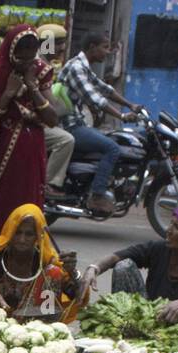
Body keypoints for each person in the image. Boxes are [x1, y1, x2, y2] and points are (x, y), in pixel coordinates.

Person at [80, 204, 178, 335]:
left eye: (177, 227)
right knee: (123, 266)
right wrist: (93, 268)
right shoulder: (160, 249)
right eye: (171, 223)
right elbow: (117, 256)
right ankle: (128, 328)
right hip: (151, 317)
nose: (168, 230)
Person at [0, 26, 57, 243]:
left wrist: (32, 87)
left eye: (33, 50)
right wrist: (8, 94)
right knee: (3, 204)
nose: (28, 58)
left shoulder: (41, 73)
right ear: (12, 50)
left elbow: (52, 118)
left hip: (31, 153)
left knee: (29, 205)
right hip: (4, 154)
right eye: (23, 51)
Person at [0, 203, 83, 322]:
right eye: (17, 233)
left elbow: (77, 294)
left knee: (53, 272)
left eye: (29, 234)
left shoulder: (46, 260)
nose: (22, 239)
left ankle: (46, 329)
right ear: (10, 233)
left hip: (33, 327)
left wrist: (72, 272)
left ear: (38, 237)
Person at [58, 32, 140, 216]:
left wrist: (130, 105)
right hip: (70, 126)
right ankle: (97, 194)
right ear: (92, 47)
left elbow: (105, 89)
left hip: (77, 123)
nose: (108, 52)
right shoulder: (77, 68)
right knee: (112, 148)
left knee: (110, 140)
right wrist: (122, 116)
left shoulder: (84, 67)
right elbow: (95, 99)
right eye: (104, 47)